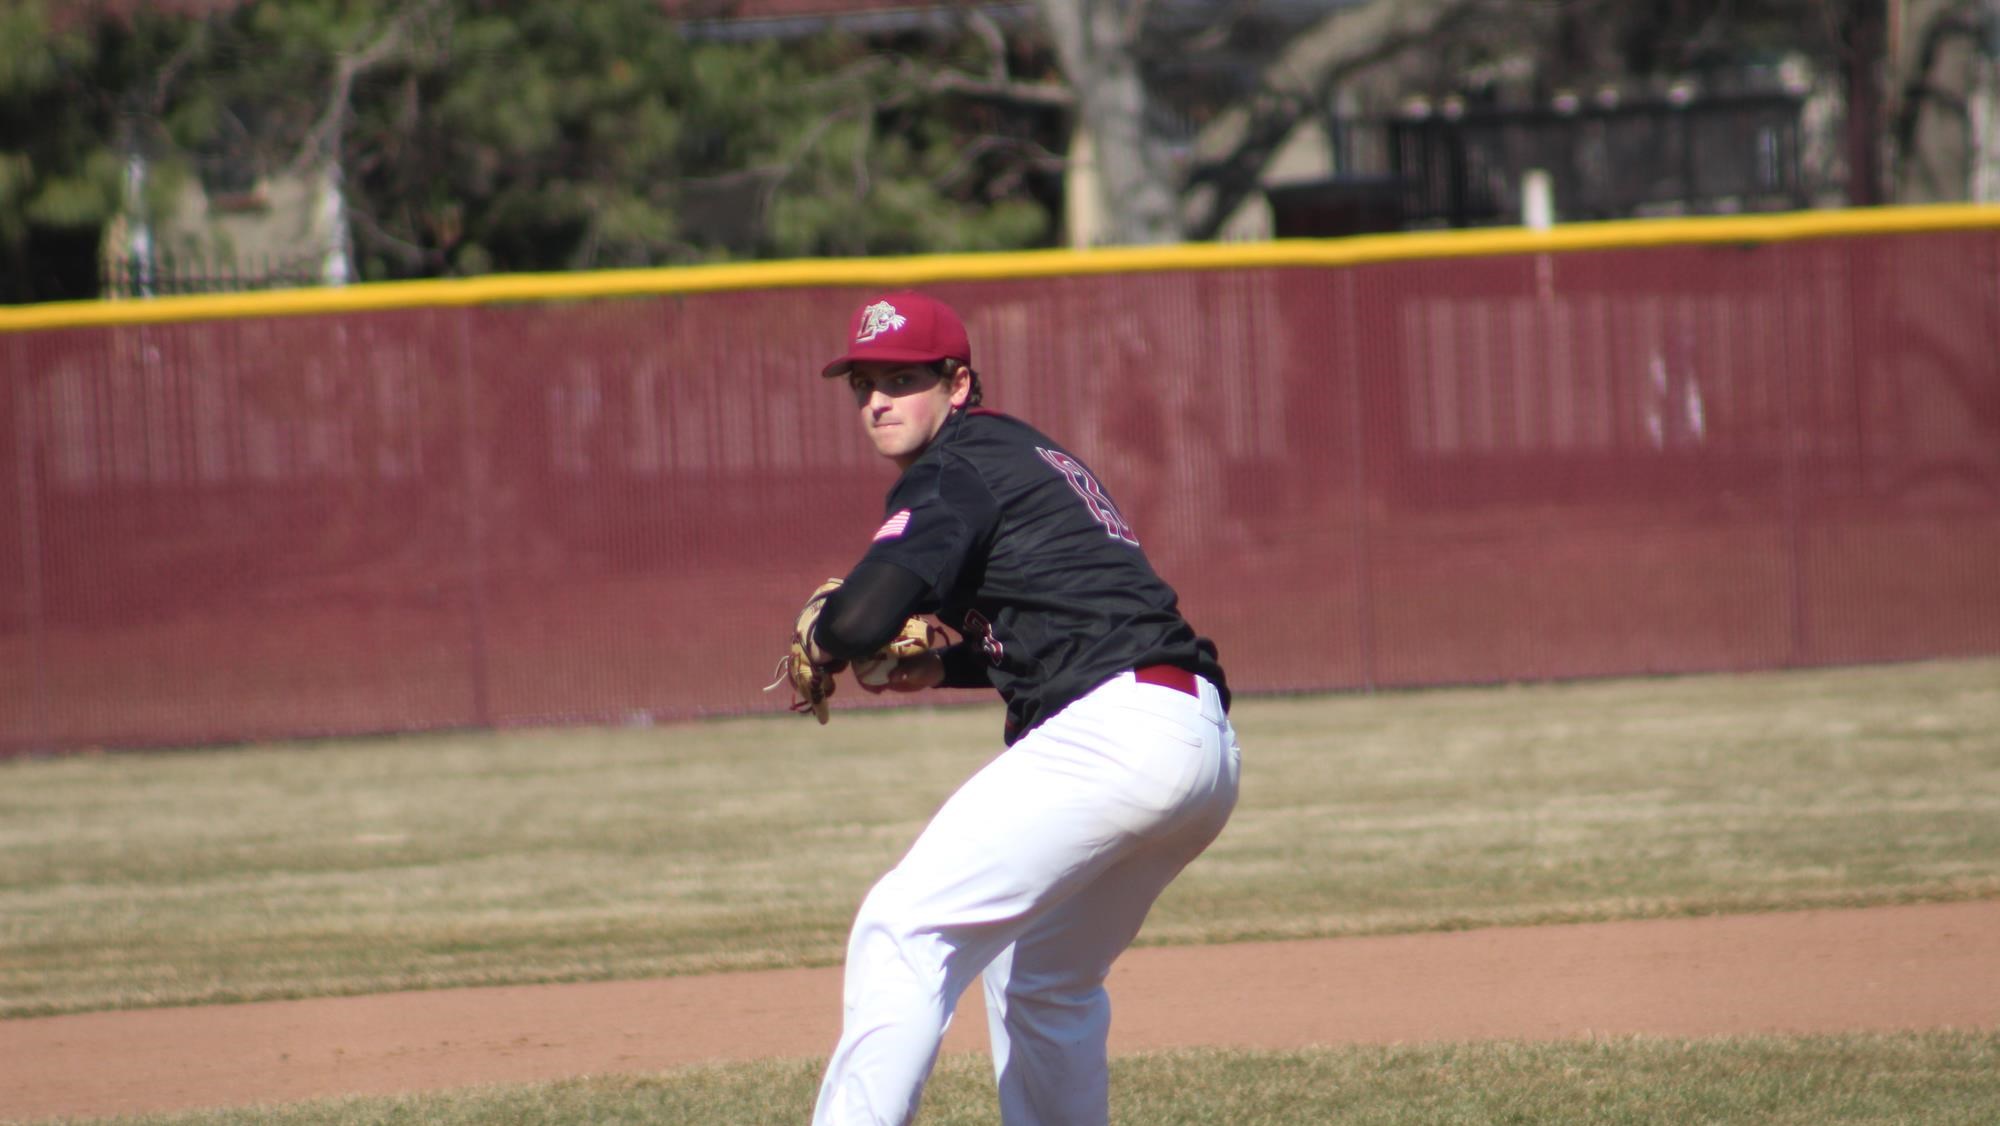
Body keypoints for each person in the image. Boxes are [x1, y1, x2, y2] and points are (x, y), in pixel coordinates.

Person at [796, 290, 1242, 1126]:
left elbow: (855, 620)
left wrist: (826, 637)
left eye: (903, 378)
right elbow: (1073, 622)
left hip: (1116, 735)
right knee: (1037, 975)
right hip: (1197, 743)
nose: (878, 401)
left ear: (956, 382)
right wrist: (947, 663)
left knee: (904, 928)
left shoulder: (953, 468)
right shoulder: (1024, 455)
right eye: (863, 384)